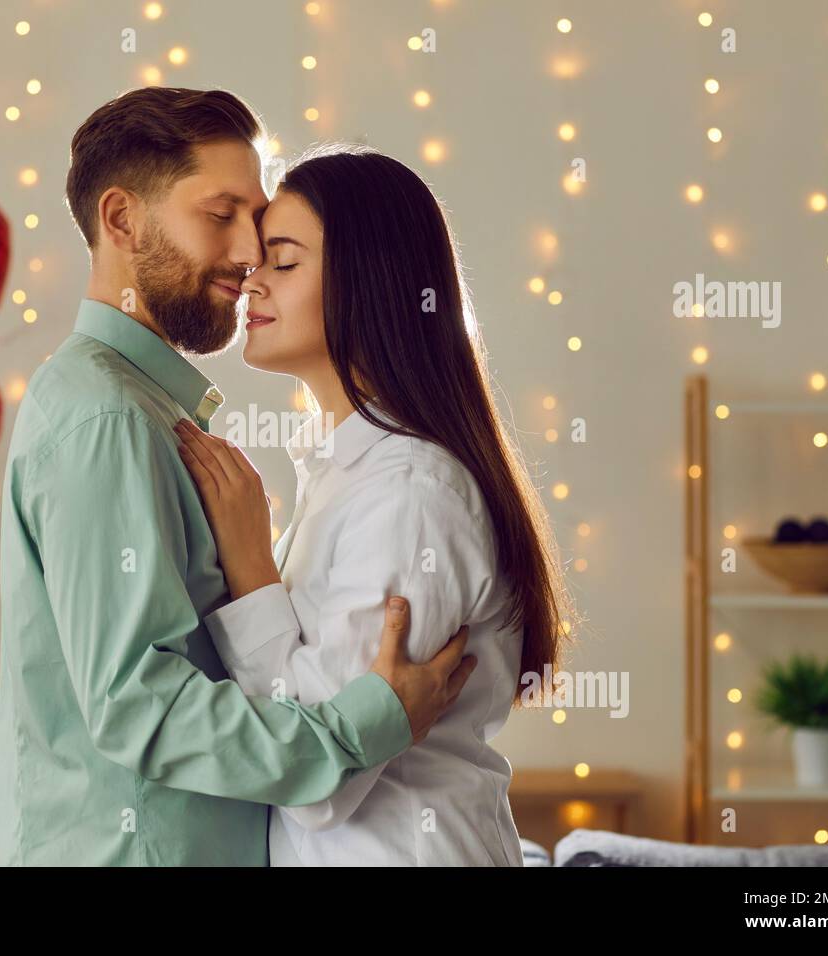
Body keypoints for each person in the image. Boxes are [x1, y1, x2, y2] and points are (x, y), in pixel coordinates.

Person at [0, 89, 475, 866]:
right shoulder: (108, 420)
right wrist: (366, 726)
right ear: (122, 220)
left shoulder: (153, 412)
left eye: (257, 223)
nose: (249, 252)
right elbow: (140, 709)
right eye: (221, 215)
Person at [175, 145, 569, 865]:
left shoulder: (411, 493)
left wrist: (251, 568)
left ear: (369, 282)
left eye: (283, 262)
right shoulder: (344, 473)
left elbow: (317, 778)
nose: (250, 280)